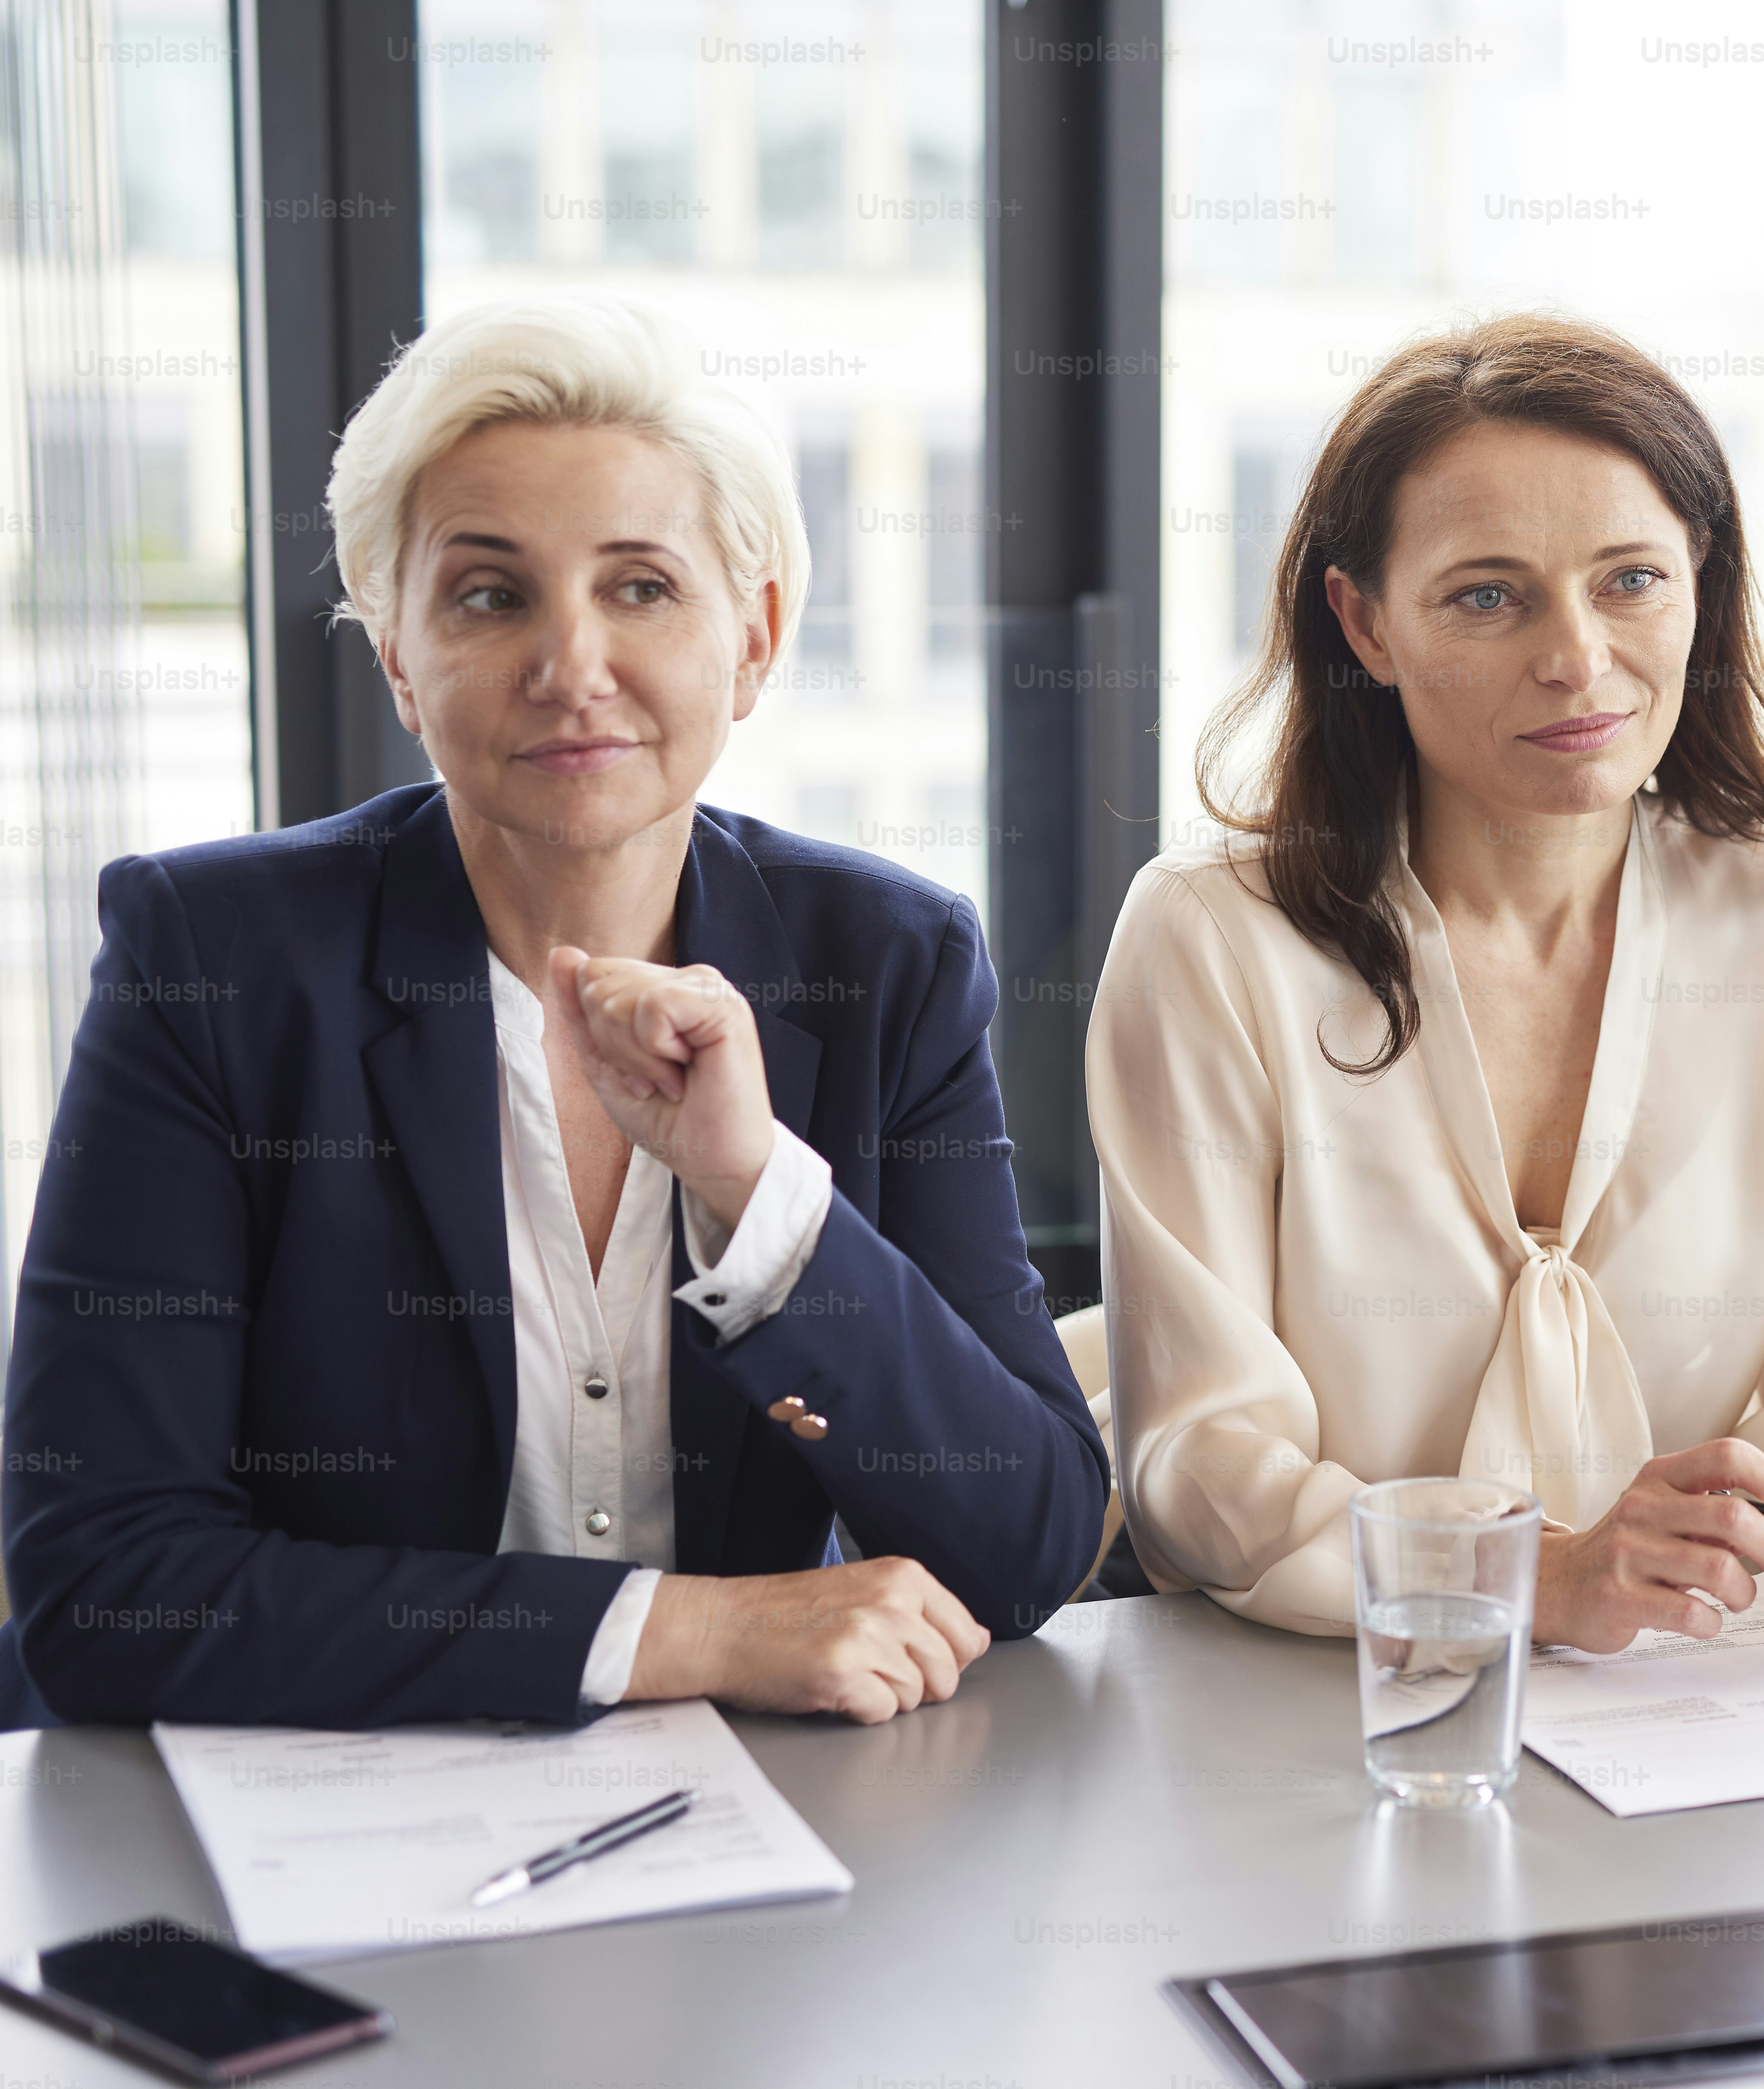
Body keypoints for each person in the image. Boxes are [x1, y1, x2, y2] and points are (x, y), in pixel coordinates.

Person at [0, 294, 1108, 1730]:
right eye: (490, 593)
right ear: (399, 652)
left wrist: (757, 1193)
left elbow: (1024, 1547)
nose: (571, 666)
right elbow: (103, 1587)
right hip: (306, 1839)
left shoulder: (888, 961)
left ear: (756, 638)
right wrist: (690, 1633)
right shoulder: (210, 962)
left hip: (757, 1853)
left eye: (642, 588)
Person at [1085, 315, 1764, 1683]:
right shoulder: (1210, 943)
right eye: (1488, 595)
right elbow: (1201, 1464)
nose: (1579, 659)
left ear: (1700, 584)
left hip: (1691, 1717)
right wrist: (1530, 1576)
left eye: (1632, 581)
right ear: (1362, 621)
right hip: (1309, 1709)